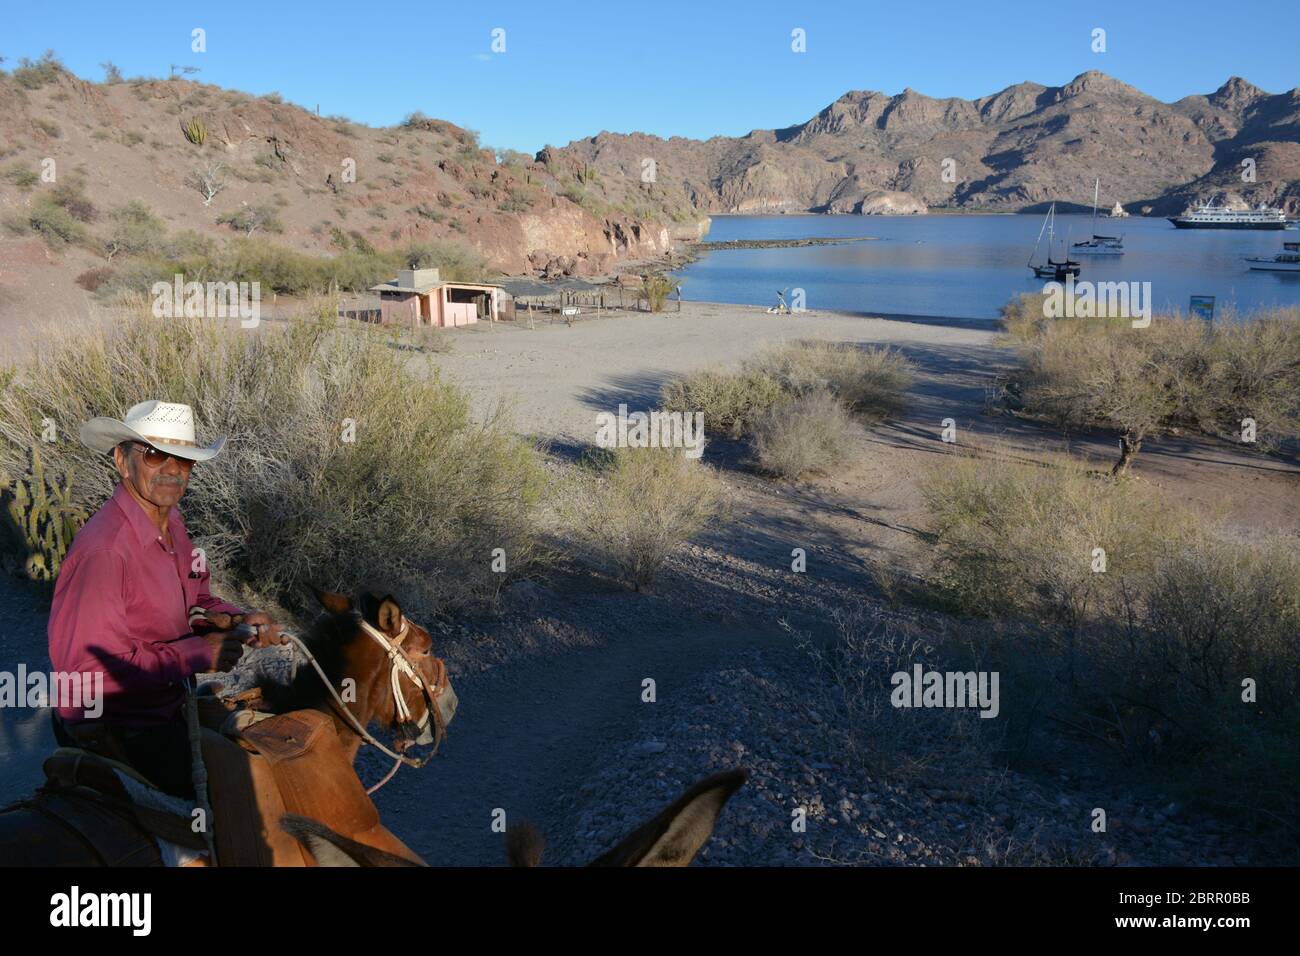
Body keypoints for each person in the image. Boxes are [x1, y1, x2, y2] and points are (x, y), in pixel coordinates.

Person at [47, 400, 286, 798]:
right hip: (119, 726)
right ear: (123, 461)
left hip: (165, 705)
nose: (173, 469)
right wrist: (196, 655)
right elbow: (85, 675)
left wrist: (237, 619)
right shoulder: (104, 552)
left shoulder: (173, 522)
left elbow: (199, 598)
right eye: (157, 454)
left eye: (185, 460)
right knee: (241, 797)